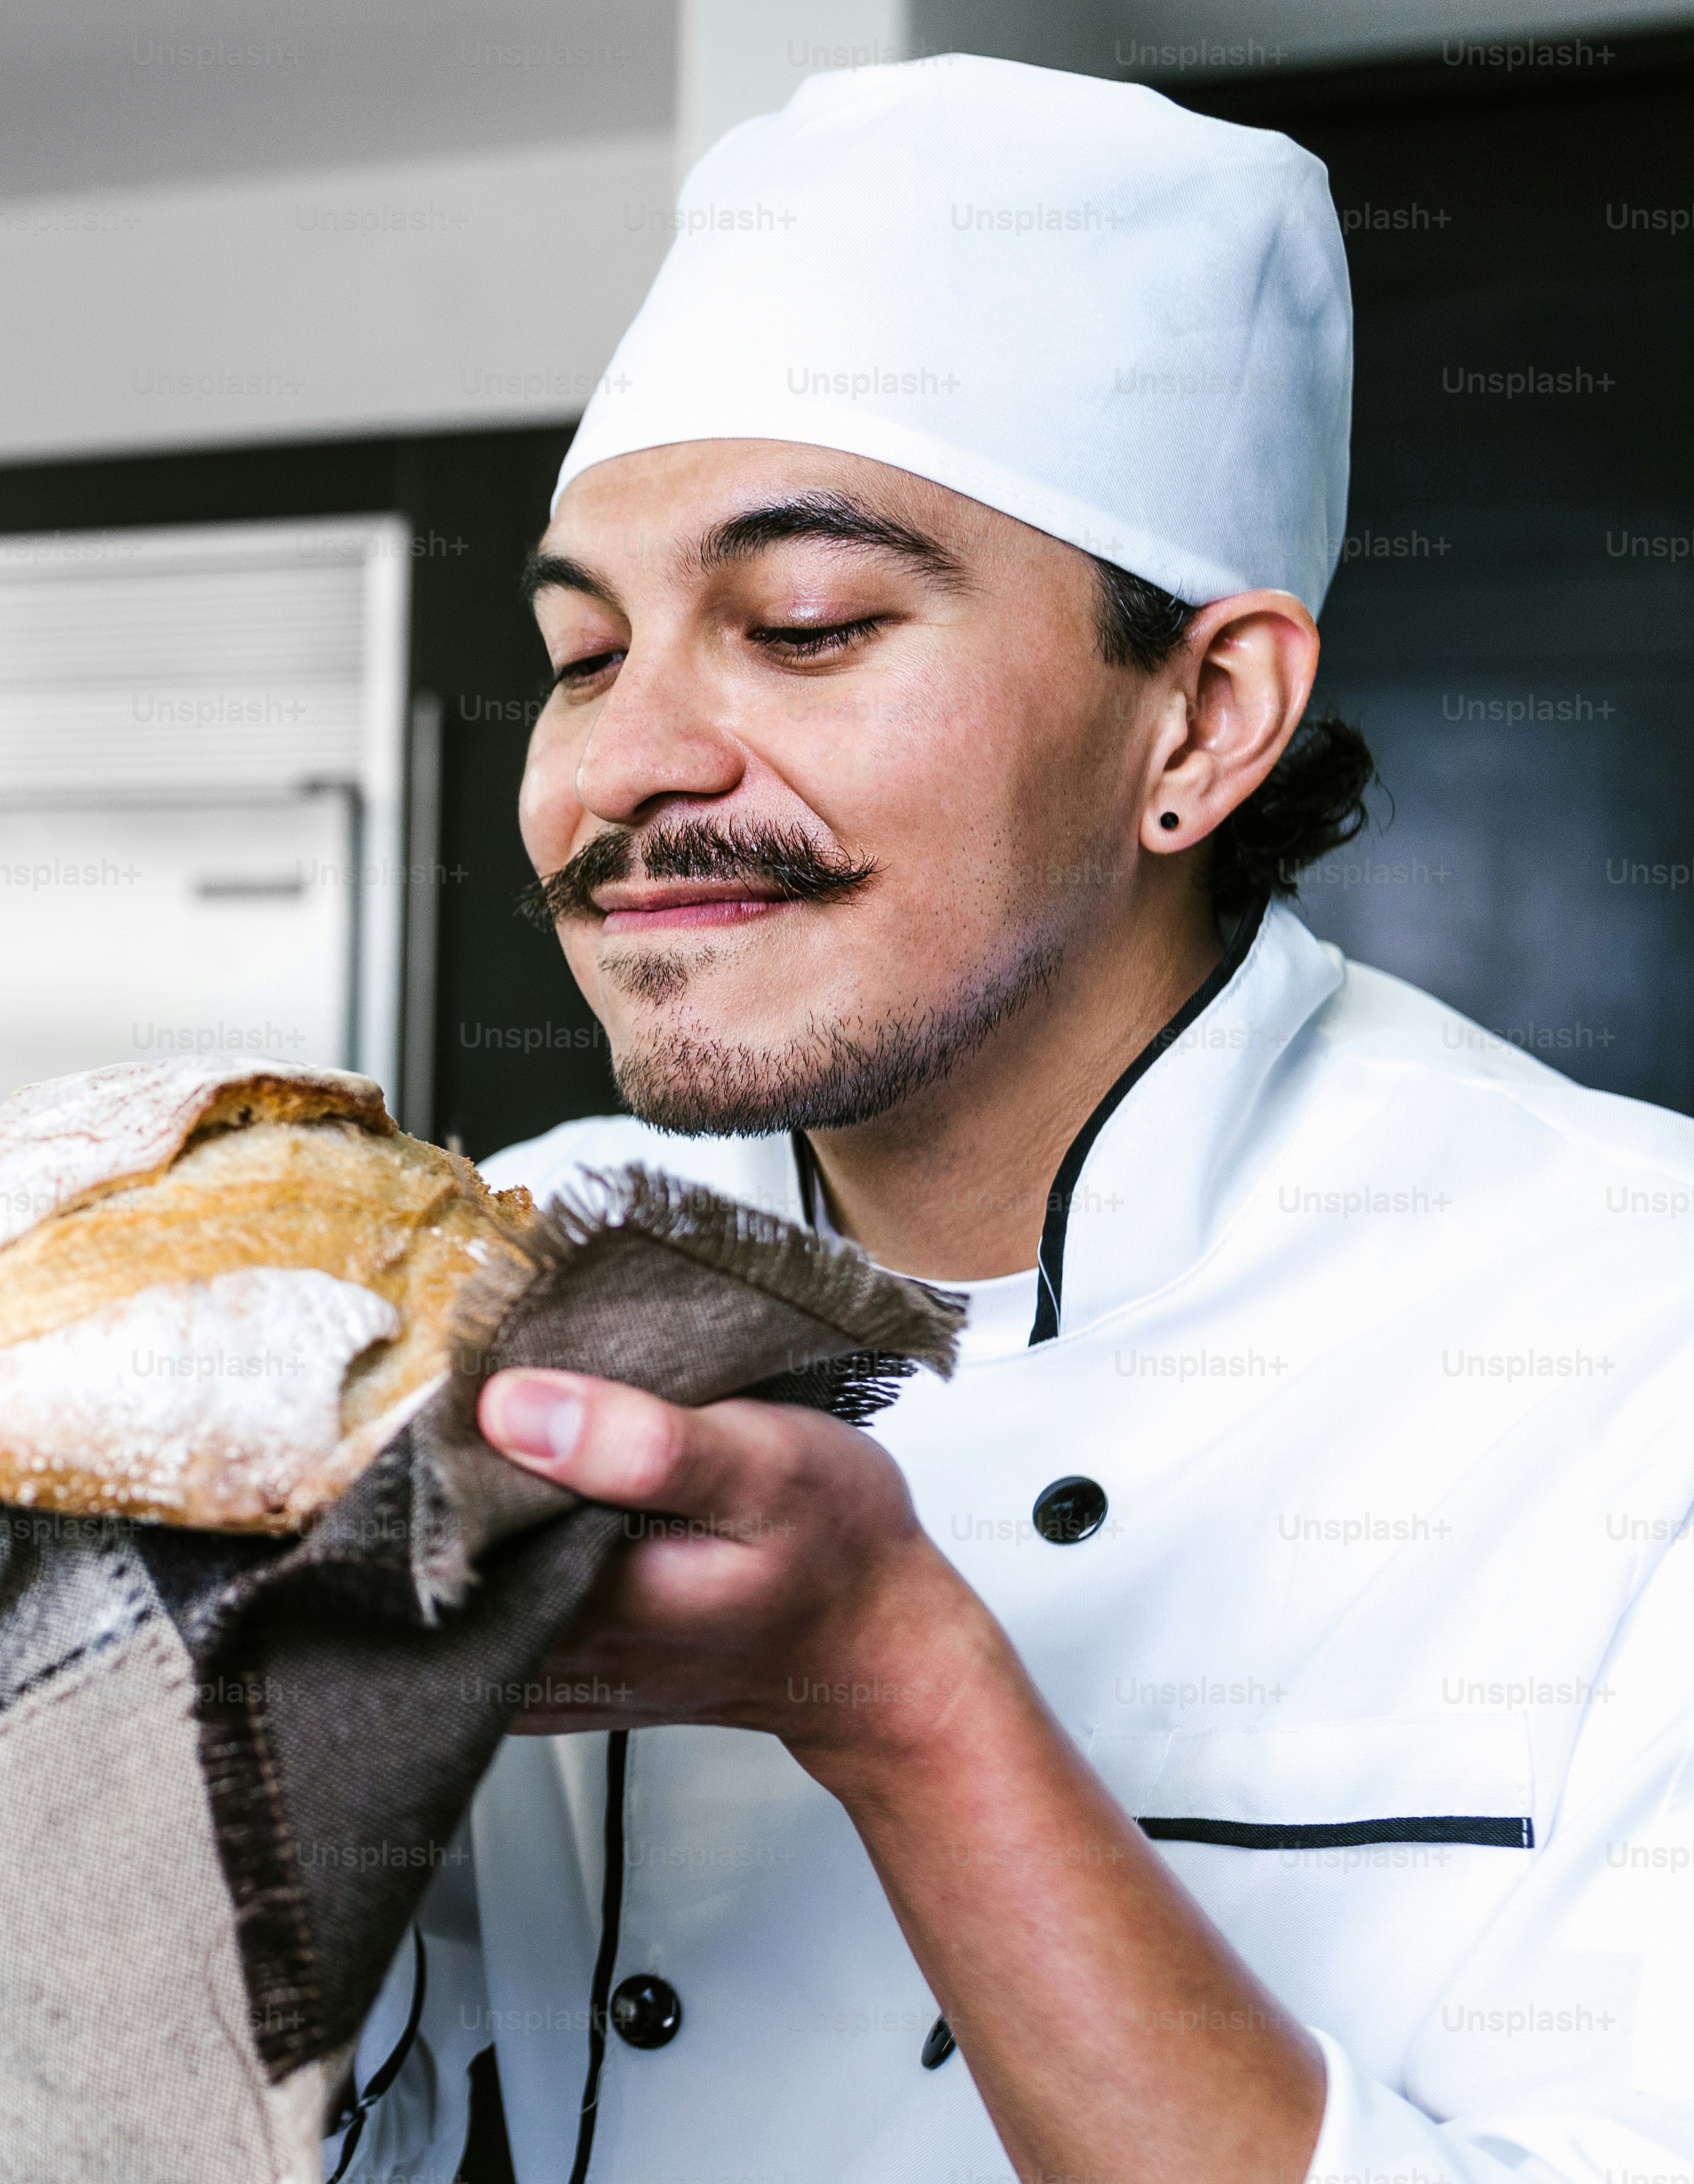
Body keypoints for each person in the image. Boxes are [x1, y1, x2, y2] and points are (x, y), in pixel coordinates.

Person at [340, 56, 1694, 2184]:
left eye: (806, 626)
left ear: (1202, 717)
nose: (624, 763)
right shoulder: (487, 1283)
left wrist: (895, 1687)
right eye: (584, 652)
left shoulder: (1633, 1340)